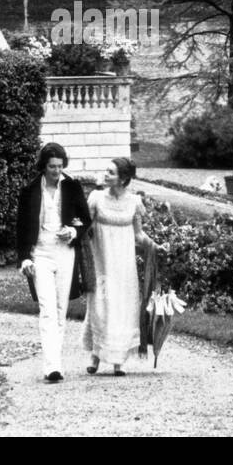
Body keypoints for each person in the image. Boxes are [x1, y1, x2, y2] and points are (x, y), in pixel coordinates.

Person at [15, 143, 93, 384]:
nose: (56, 171)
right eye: (52, 167)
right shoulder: (29, 191)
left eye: (60, 166)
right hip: (41, 252)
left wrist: (72, 231)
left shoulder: (72, 186)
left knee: (60, 309)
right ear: (43, 166)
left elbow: (86, 221)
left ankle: (55, 361)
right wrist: (24, 258)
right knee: (47, 308)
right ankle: (52, 366)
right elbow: (20, 230)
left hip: (65, 252)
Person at [82, 158, 164, 377]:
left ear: (123, 179)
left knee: (122, 309)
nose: (106, 175)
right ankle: (96, 356)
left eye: (111, 172)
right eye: (107, 171)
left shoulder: (134, 202)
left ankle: (119, 361)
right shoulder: (96, 198)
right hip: (102, 262)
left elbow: (138, 234)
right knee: (102, 306)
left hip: (124, 265)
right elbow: (85, 228)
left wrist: (155, 246)